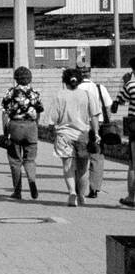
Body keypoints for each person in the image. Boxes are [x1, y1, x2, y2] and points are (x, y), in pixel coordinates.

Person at [42, 68, 101, 207]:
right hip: (83, 135)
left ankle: (72, 193)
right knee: (83, 168)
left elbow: (52, 120)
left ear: (65, 80)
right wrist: (96, 133)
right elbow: (94, 116)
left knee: (68, 166)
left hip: (64, 135)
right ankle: (81, 195)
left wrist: (53, 131)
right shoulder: (87, 95)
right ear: (79, 80)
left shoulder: (59, 95)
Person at [0, 65, 43, 199]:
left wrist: (6, 132)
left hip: (15, 127)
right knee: (30, 160)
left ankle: (17, 191)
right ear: (29, 79)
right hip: (31, 127)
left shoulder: (11, 93)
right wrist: (35, 125)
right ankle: (32, 181)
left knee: (15, 161)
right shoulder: (35, 93)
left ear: (16, 79)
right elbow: (39, 112)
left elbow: (4, 114)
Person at [78, 66, 115, 199]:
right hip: (97, 125)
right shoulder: (100, 88)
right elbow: (107, 107)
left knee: (80, 156)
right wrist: (108, 121)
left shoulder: (75, 89)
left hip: (80, 126)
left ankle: (79, 187)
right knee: (97, 157)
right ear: (90, 73)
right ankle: (94, 188)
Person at [111, 59, 135, 207]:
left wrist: (125, 83)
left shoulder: (131, 85)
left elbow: (117, 103)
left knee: (133, 165)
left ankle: (132, 197)